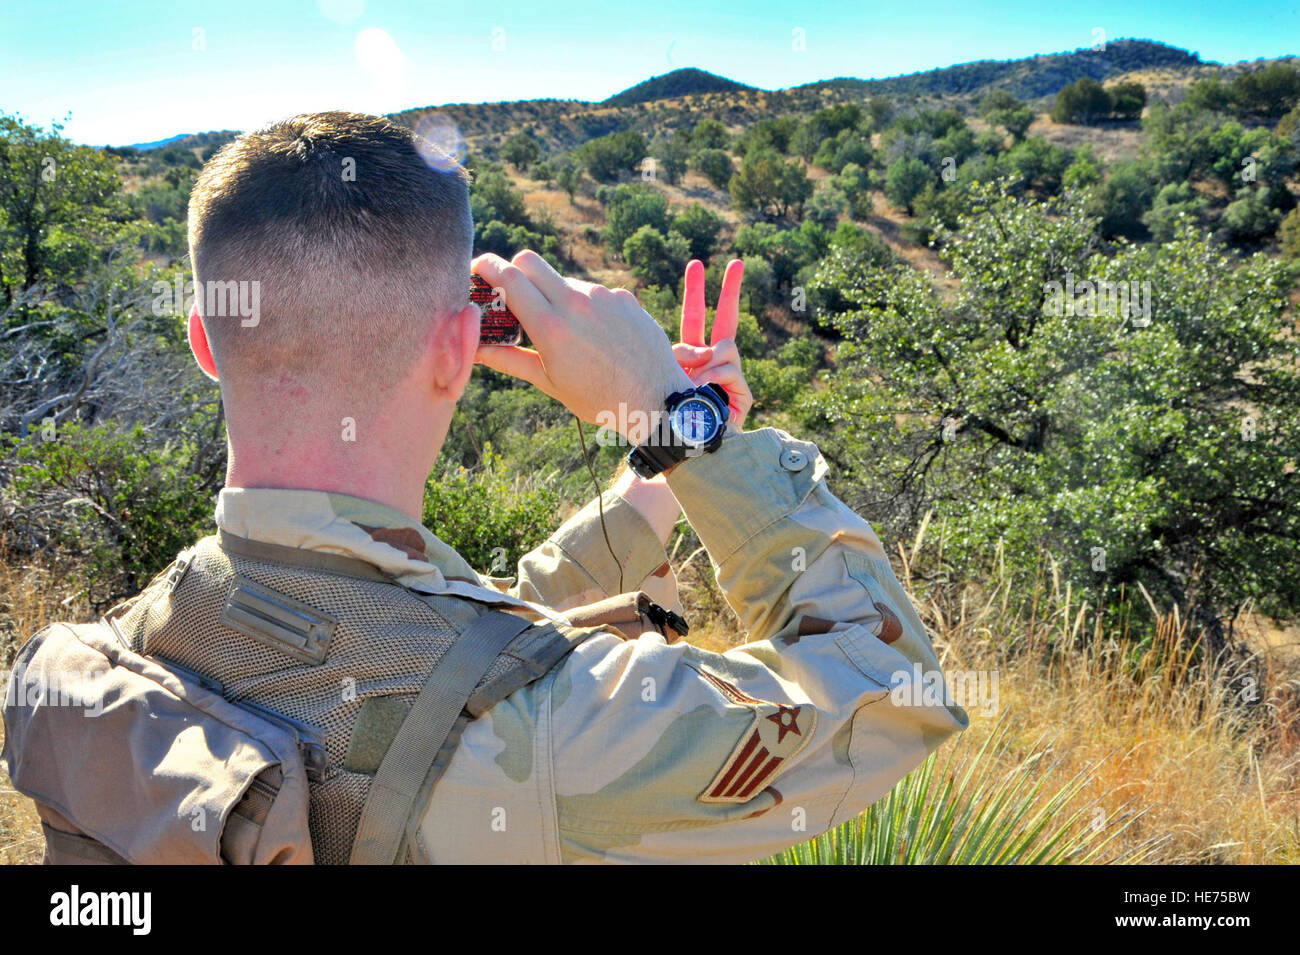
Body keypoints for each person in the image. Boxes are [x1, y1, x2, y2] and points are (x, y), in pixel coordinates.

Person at [12, 112, 968, 864]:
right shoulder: (556, 739)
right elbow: (897, 690)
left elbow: (443, 640)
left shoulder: (139, 634)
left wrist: (666, 465)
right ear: (462, 347)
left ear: (206, 340)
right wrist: (673, 419)